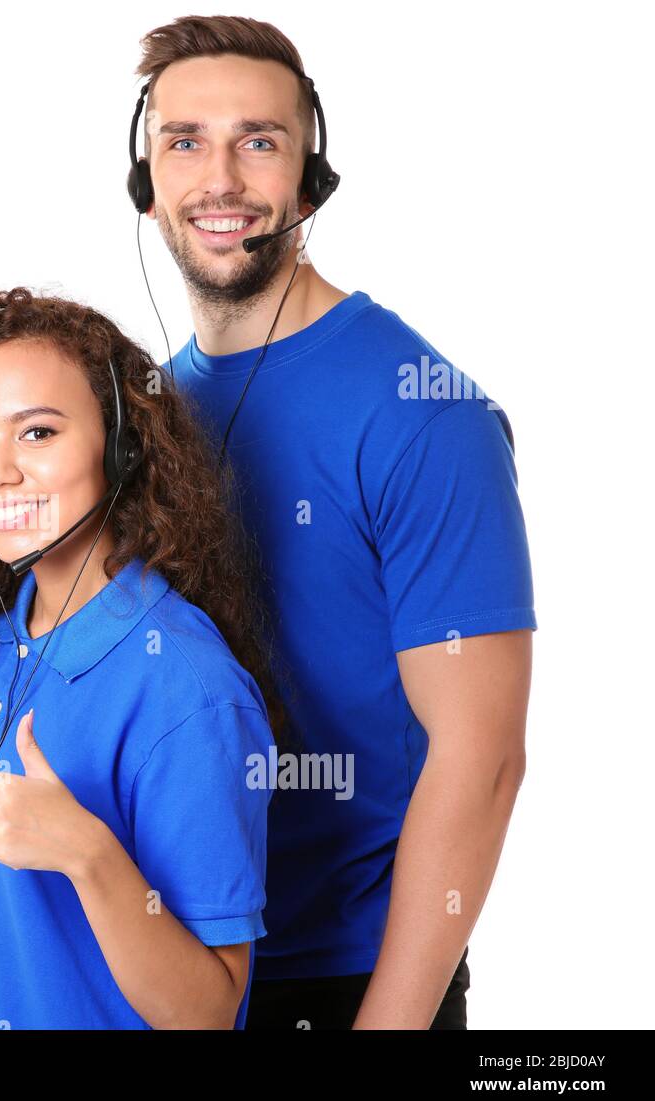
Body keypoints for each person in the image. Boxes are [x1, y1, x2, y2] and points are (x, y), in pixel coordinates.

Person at [127, 14, 535, 1028]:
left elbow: (481, 756)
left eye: (257, 141)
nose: (219, 178)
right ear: (145, 180)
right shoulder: (146, 410)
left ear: (310, 178)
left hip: (349, 983)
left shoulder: (420, 406)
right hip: (182, 966)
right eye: (185, 142)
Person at [0, 288, 280, 1029]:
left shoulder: (186, 687)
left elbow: (210, 1012)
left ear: (120, 446)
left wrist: (87, 853)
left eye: (35, 433)